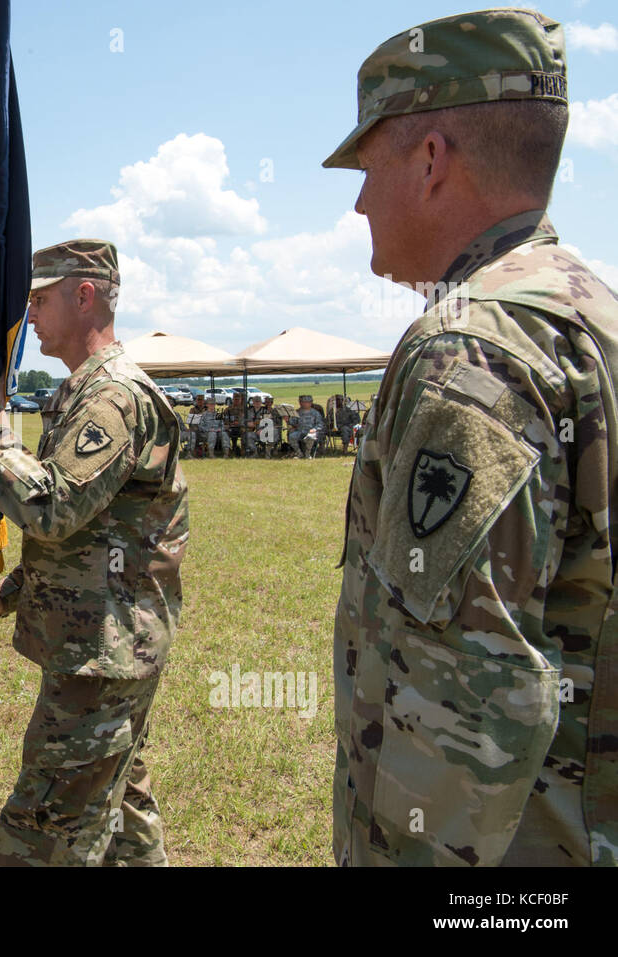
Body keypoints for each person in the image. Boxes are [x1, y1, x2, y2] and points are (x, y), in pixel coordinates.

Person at [326, 8, 618, 866]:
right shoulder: (596, 318)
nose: (355, 200)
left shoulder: (471, 347)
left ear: (428, 161)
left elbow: (458, 712)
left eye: (366, 162)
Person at [0, 239, 189, 867]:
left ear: (83, 296)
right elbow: (96, 528)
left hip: (104, 651)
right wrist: (12, 593)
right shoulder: (85, 391)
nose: (27, 313)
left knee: (43, 829)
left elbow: (52, 509)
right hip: (103, 640)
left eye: (37, 298)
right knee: (120, 815)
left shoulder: (112, 396)